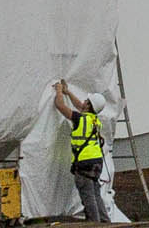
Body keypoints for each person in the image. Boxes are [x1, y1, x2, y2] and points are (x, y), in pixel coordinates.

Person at [53, 80, 108, 222]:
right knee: (96, 195)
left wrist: (58, 90)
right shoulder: (94, 120)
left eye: (86, 101)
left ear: (89, 106)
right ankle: (105, 223)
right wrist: (68, 92)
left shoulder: (80, 119)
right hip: (97, 163)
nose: (83, 102)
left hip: (84, 164)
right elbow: (80, 106)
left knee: (88, 197)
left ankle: (94, 224)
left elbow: (59, 105)